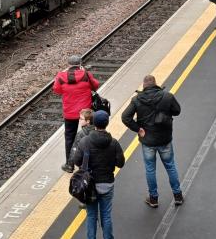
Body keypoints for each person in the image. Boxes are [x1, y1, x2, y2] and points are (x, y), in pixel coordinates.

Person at [121, 75, 183, 209]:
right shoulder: (167, 96)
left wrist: (138, 129)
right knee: (170, 166)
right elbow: (177, 111)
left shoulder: (137, 99)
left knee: (150, 170)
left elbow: (125, 117)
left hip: (148, 141)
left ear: (143, 85)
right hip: (165, 139)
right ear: (156, 84)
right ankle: (177, 195)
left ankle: (153, 198)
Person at [72, 110, 125, 239]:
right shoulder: (113, 142)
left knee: (91, 215)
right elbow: (121, 163)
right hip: (107, 183)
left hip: (90, 186)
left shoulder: (85, 141)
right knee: (106, 215)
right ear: (107, 123)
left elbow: (76, 161)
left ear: (94, 123)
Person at [53, 55, 100, 173]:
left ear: (68, 65)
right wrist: (85, 72)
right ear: (80, 64)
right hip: (85, 113)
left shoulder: (60, 76)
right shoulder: (86, 74)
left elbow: (57, 90)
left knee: (70, 137)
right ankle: (89, 161)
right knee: (88, 135)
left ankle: (69, 165)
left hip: (69, 113)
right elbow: (96, 86)